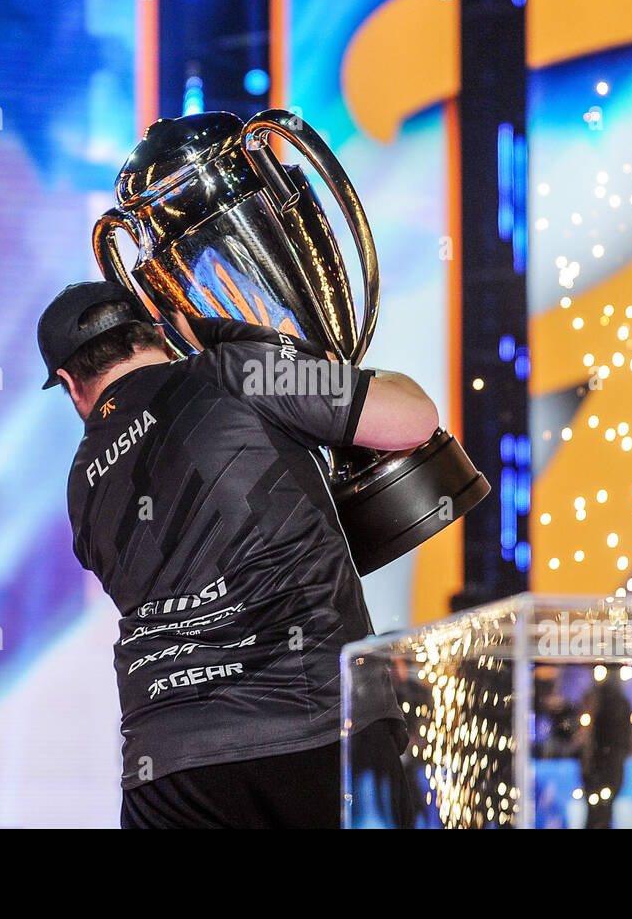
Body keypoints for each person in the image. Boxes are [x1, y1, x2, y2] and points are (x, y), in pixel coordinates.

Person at [38, 281, 438, 828]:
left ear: (68, 381)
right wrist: (237, 338)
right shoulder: (234, 369)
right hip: (315, 724)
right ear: (156, 331)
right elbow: (413, 416)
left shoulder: (80, 485)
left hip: (169, 767)